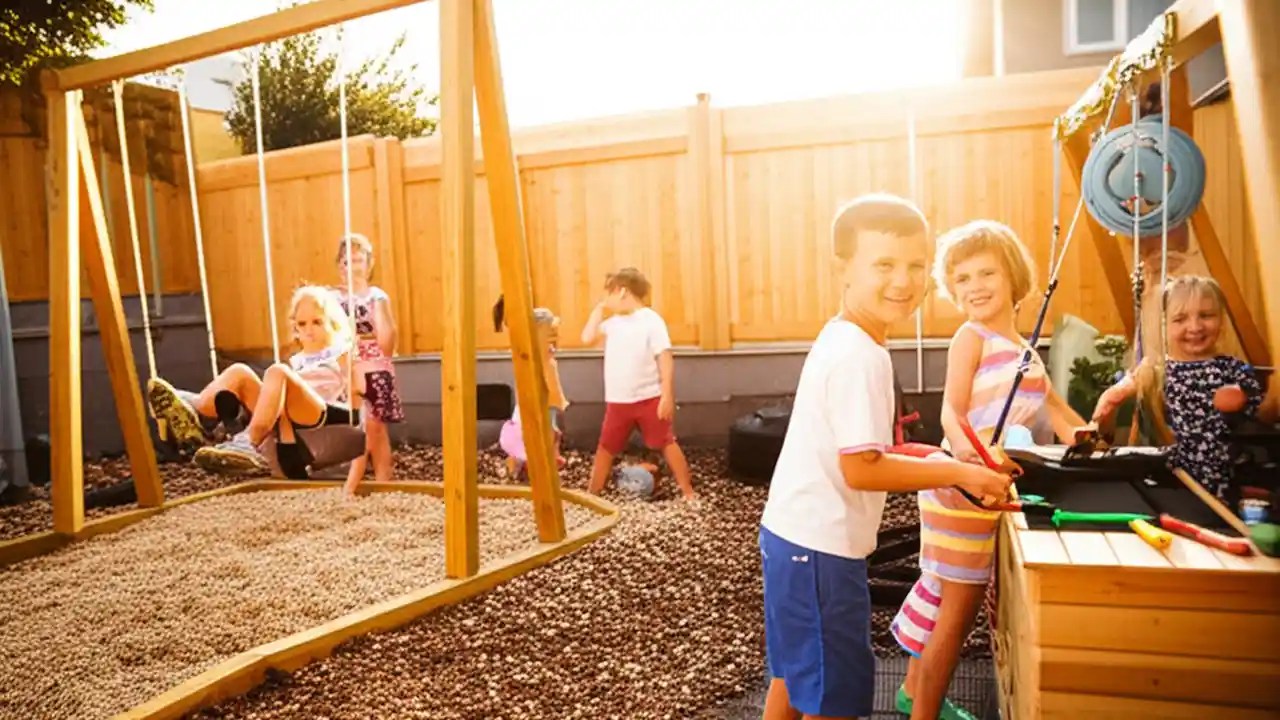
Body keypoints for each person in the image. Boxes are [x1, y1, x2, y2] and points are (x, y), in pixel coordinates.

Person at [759, 195, 1013, 720]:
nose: (903, 280)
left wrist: (943, 459)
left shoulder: (847, 337)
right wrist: (956, 470)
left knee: (794, 673)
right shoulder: (860, 356)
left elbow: (870, 448)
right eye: (884, 264)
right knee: (836, 698)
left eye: (916, 266)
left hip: (791, 540)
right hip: (822, 554)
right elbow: (862, 469)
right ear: (842, 270)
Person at [889, 220, 1086, 720]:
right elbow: (950, 411)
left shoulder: (1024, 352)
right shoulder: (969, 337)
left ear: (1012, 276)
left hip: (989, 486)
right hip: (962, 486)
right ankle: (924, 711)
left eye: (986, 273)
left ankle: (914, 691)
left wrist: (1093, 441)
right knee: (956, 612)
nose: (974, 286)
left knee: (943, 593)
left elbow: (1060, 416)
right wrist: (966, 459)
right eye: (962, 278)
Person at [148, 285, 366, 480]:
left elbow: (357, 398)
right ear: (295, 329)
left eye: (317, 322)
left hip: (318, 411)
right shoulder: (298, 361)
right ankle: (196, 413)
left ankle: (247, 442)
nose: (309, 329)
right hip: (285, 412)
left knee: (277, 371)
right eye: (302, 323)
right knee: (239, 372)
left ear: (333, 324)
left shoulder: (340, 353)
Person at [1093, 275, 1280, 499]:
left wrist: (1245, 402)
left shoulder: (1234, 370)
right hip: (1171, 484)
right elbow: (1111, 399)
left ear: (1221, 319)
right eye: (1180, 319)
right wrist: (1107, 405)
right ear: (1164, 325)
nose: (1195, 327)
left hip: (1225, 485)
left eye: (1206, 315)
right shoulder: (1154, 369)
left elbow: (1262, 421)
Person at [580, 267, 696, 500]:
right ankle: (592, 494)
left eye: (609, 294)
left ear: (622, 291)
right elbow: (586, 339)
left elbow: (664, 358)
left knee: (666, 443)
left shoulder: (651, 321)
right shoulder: (612, 324)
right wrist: (598, 310)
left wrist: (666, 395)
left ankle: (688, 492)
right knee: (606, 447)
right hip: (618, 401)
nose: (607, 300)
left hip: (648, 397)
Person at [332, 233, 404, 489]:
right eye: (347, 261)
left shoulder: (376, 296)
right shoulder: (332, 299)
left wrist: (373, 348)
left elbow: (387, 337)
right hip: (345, 367)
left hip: (374, 364)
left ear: (369, 264)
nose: (353, 266)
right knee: (364, 426)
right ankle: (369, 482)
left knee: (374, 425)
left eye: (359, 260)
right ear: (339, 267)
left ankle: (380, 481)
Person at [492, 296, 569, 479]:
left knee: (551, 434)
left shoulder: (544, 354)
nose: (554, 336)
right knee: (526, 434)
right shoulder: (532, 356)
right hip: (533, 402)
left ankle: (546, 463)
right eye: (550, 332)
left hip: (546, 402)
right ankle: (519, 466)